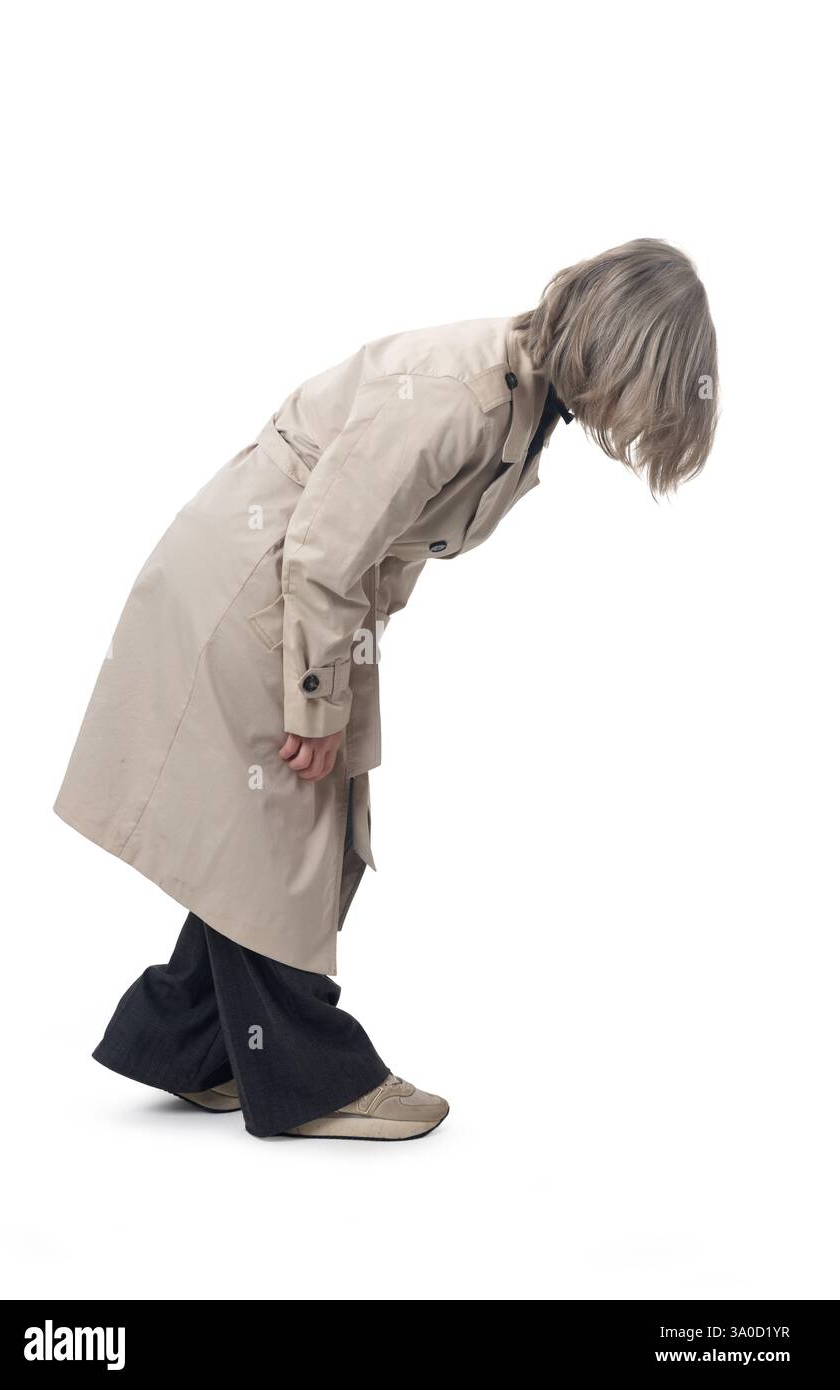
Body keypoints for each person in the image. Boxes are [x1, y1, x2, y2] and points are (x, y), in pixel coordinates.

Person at [54, 238, 718, 1141]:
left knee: (289, 837)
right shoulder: (464, 392)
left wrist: (343, 675)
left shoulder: (527, 404)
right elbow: (326, 546)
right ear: (621, 349)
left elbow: (380, 543)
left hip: (304, 597)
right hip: (262, 584)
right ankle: (313, 1080)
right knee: (282, 835)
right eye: (655, 388)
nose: (642, 421)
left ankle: (181, 1045)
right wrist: (318, 700)